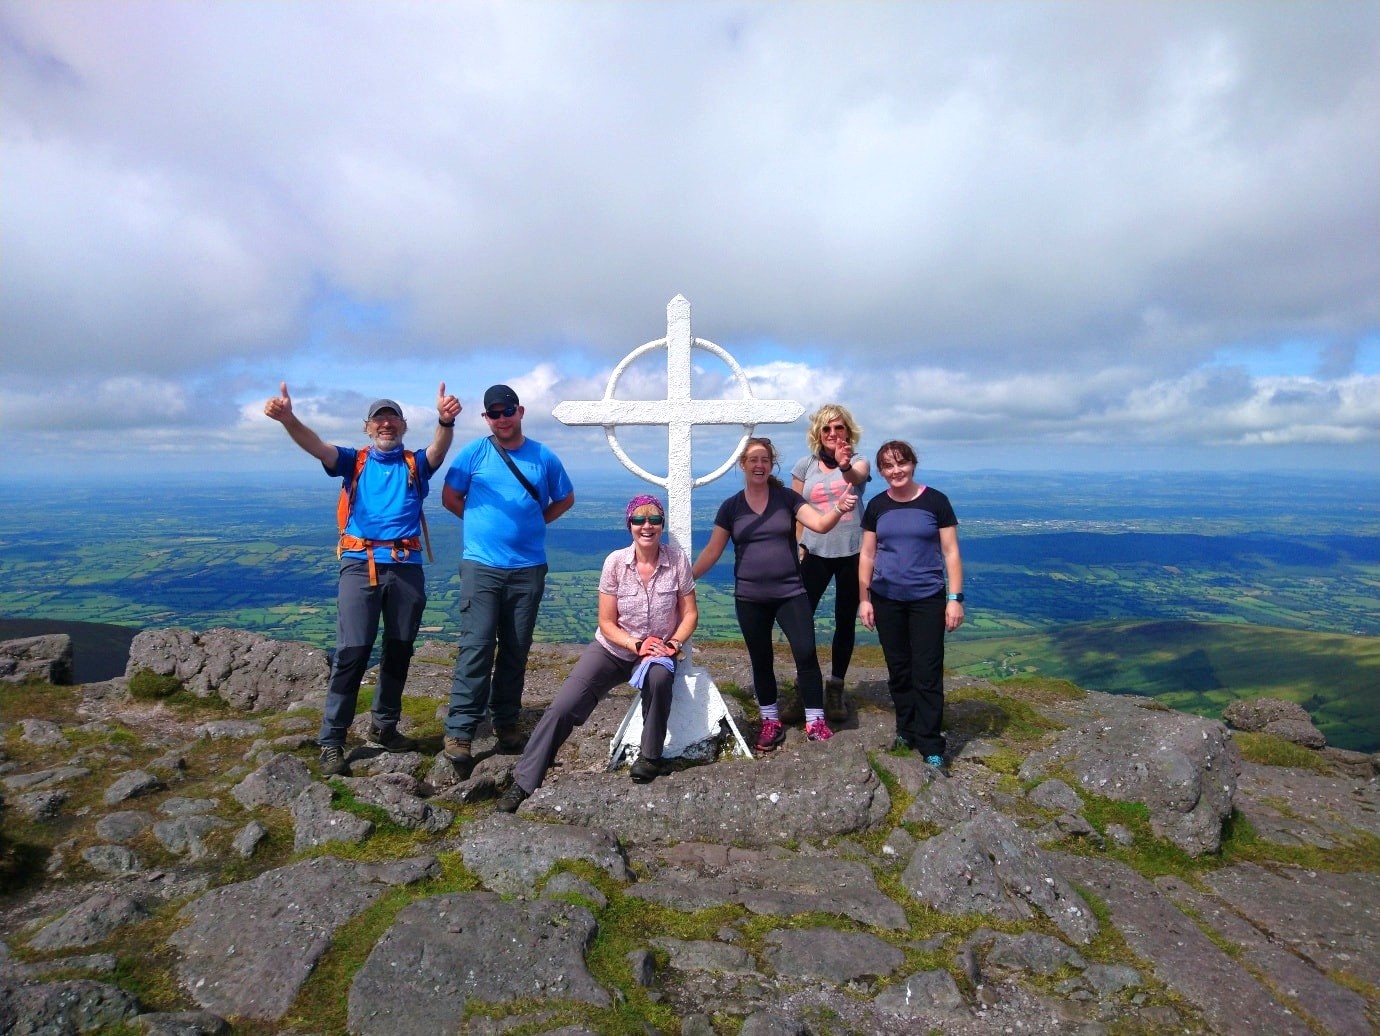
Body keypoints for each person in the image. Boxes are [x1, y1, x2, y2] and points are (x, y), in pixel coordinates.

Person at [264, 381, 462, 777]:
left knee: (399, 650)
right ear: (367, 427)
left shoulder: (414, 463)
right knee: (352, 652)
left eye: (392, 418)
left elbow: (438, 451)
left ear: (403, 425)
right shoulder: (353, 460)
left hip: (405, 565)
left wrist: (444, 420)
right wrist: (289, 420)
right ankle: (332, 741)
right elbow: (317, 445)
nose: (386, 424)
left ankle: (384, 728)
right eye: (379, 419)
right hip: (359, 564)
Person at [496, 494, 697, 811]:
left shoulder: (677, 561)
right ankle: (524, 781)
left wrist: (671, 645)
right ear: (628, 525)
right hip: (614, 649)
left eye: (655, 519)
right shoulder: (616, 562)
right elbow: (606, 622)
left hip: (658, 649)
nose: (647, 526)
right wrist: (634, 644)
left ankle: (650, 756)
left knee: (659, 679)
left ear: (662, 524)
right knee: (562, 707)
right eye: (639, 520)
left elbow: (689, 615)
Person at [441, 384, 575, 776]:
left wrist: (534, 524)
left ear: (520, 411)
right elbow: (451, 498)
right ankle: (461, 731)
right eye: (494, 413)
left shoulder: (543, 457)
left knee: (516, 648)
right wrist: (483, 529)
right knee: (477, 647)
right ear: (486, 418)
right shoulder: (474, 454)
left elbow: (564, 498)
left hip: (528, 567)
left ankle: (507, 722)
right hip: (481, 566)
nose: (502, 418)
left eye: (507, 411)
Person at [691, 436, 856, 752]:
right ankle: (770, 721)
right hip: (750, 596)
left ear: (771, 464)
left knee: (806, 652)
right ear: (743, 464)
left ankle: (815, 720)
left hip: (790, 591)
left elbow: (819, 524)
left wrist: (837, 508)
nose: (759, 465)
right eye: (753, 459)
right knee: (761, 658)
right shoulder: (731, 507)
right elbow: (713, 550)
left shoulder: (786, 499)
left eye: (764, 460)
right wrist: (686, 579)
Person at [857, 439, 964, 769]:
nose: (896, 470)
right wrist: (864, 599)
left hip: (927, 599)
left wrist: (954, 599)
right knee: (899, 670)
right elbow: (867, 554)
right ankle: (907, 730)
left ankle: (931, 742)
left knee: (927, 671)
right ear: (881, 471)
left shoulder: (935, 501)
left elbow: (951, 553)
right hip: (886, 598)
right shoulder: (877, 506)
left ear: (912, 464)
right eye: (888, 466)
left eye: (901, 463)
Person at [791, 404, 871, 723]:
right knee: (800, 619)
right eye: (826, 429)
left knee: (844, 621)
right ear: (817, 434)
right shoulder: (804, 466)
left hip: (852, 551)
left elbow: (855, 476)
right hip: (813, 550)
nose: (833, 434)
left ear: (848, 431)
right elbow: (795, 509)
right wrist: (795, 545)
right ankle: (804, 685)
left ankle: (836, 687)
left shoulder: (859, 463)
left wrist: (844, 463)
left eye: (838, 428)